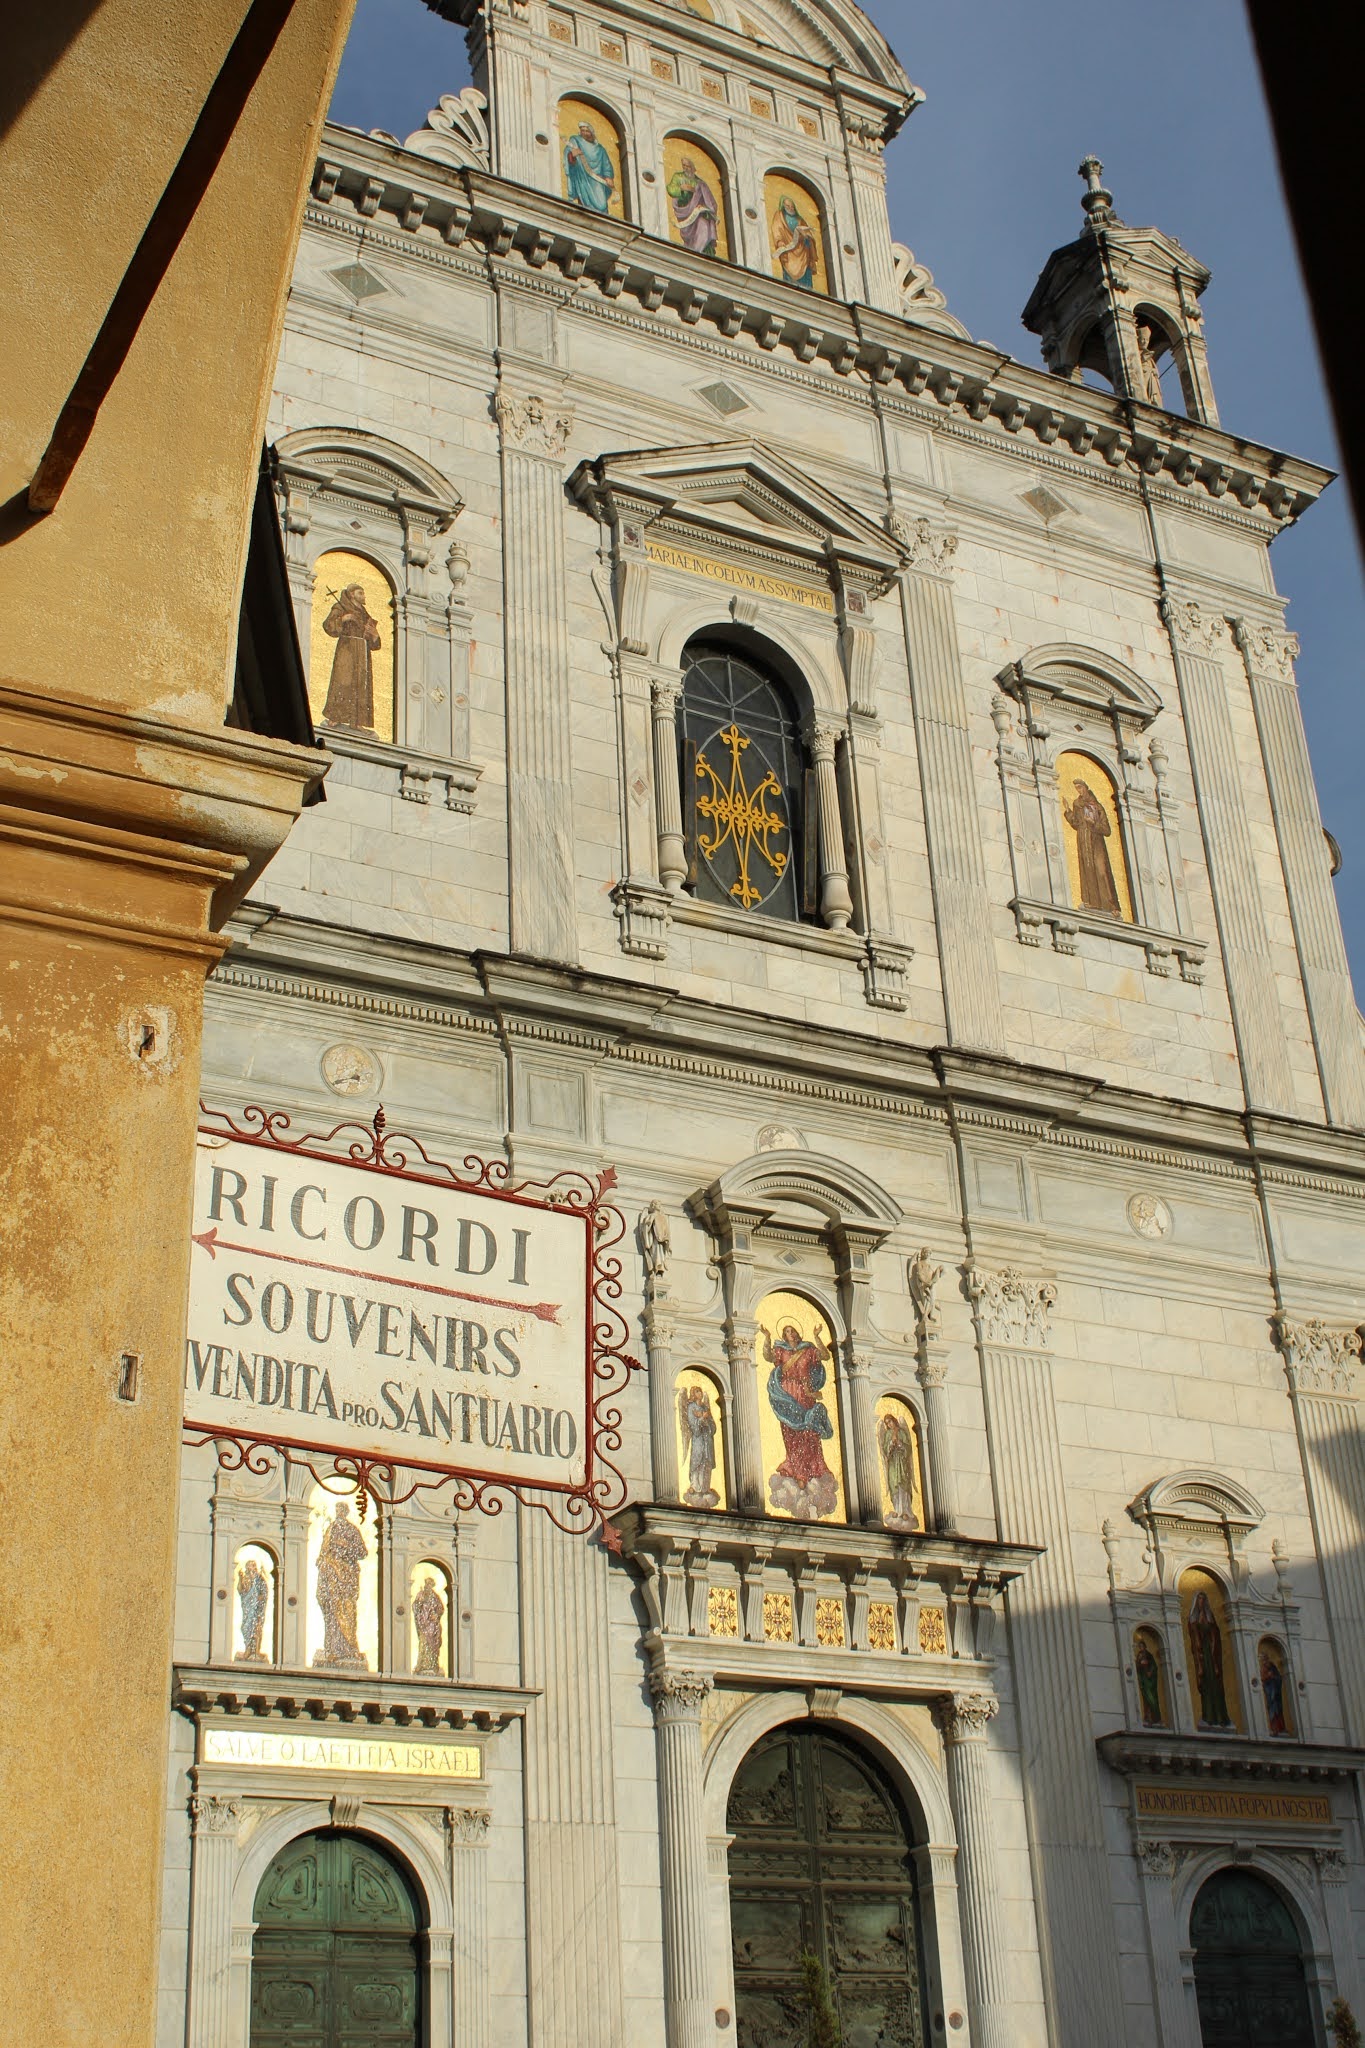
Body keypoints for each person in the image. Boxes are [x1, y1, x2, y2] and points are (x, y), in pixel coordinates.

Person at [761, 1319, 838, 1520]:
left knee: (810, 1433)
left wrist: (818, 1337)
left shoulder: (808, 1349)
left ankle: (812, 1471)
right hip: (787, 1397)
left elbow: (825, 1356)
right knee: (791, 1434)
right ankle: (797, 1471)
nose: (790, 1334)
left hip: (805, 1395)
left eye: (792, 1330)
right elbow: (768, 1356)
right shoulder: (781, 1350)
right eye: (786, 1332)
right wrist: (767, 1338)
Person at [314, 1500, 369, 1668]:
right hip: (331, 1577)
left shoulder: (352, 1530)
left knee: (347, 1612)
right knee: (331, 1613)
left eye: (341, 1510)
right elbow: (323, 1553)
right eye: (337, 1509)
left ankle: (349, 1648)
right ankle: (332, 1649)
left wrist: (346, 1548)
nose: (339, 1513)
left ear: (345, 1512)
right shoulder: (330, 1529)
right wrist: (325, 1561)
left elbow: (362, 1552)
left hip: (347, 1579)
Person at [320, 582, 381, 730]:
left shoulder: (365, 614)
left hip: (363, 652)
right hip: (347, 650)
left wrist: (374, 635)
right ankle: (335, 717)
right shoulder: (340, 607)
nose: (363, 596)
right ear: (352, 594)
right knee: (343, 681)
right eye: (361, 593)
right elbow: (328, 626)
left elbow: (376, 643)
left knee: (361, 684)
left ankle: (358, 722)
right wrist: (343, 619)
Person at [1063, 775, 1124, 918]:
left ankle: (1111, 906)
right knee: (1087, 870)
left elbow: (1107, 830)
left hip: (1096, 842)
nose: (1079, 790)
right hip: (1083, 841)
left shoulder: (1097, 807)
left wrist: (1093, 823)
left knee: (1101, 871)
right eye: (1077, 788)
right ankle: (1092, 902)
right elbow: (1076, 823)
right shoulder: (1077, 804)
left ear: (1086, 788)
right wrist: (1068, 811)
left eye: (1080, 787)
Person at [1187, 1588, 1232, 1728]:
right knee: (1205, 1684)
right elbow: (1193, 1637)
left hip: (1212, 1656)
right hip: (1201, 1657)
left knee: (1217, 1686)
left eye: (1203, 1599)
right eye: (1199, 1599)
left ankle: (1220, 1716)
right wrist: (1197, 1627)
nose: (1201, 1602)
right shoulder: (1193, 1619)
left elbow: (1216, 1634)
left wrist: (1209, 1627)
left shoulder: (1210, 1617)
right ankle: (1208, 1716)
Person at [667, 156, 721, 256]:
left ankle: (702, 250)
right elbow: (670, 189)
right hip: (685, 210)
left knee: (703, 225)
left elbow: (711, 201)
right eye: (684, 166)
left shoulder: (700, 183)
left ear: (692, 168)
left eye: (688, 166)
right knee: (691, 235)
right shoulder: (678, 177)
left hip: (699, 212)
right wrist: (681, 189)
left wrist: (702, 205)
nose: (686, 168)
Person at [877, 1409, 919, 1531]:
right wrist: (891, 1444)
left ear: (894, 1421)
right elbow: (884, 1449)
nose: (889, 1424)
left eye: (890, 1421)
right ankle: (897, 1509)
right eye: (887, 1423)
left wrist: (900, 1444)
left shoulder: (901, 1432)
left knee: (904, 1483)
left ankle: (906, 1511)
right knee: (894, 1483)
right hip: (893, 1462)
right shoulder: (888, 1434)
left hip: (902, 1461)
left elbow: (908, 1448)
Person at [679, 1383, 719, 1507]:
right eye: (697, 1392)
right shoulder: (691, 1407)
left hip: (707, 1439)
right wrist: (701, 1419)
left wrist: (706, 1420)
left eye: (700, 1392)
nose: (699, 1394)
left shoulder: (705, 1408)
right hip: (698, 1440)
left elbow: (713, 1426)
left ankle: (705, 1488)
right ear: (693, 1394)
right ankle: (695, 1487)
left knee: (706, 1462)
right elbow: (693, 1426)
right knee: (697, 1461)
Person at [564, 121, 616, 213]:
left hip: (597, 179)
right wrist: (572, 155)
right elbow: (569, 153)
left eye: (587, 131)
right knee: (584, 202)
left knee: (602, 205)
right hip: (582, 176)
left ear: (591, 132)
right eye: (582, 131)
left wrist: (608, 177)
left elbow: (606, 163)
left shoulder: (600, 149)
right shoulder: (576, 140)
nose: (585, 133)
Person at [770, 193, 819, 290]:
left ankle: (807, 291)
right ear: (783, 206)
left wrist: (807, 237)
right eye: (788, 206)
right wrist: (780, 242)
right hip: (789, 250)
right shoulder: (779, 215)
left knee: (805, 275)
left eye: (792, 206)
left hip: (803, 252)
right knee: (789, 273)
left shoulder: (800, 219)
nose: (791, 208)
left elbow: (808, 233)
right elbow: (777, 229)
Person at [235, 1557, 269, 1662]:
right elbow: (241, 1590)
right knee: (245, 1627)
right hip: (247, 1608)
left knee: (256, 1628)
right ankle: (248, 1649)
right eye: (250, 1565)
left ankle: (255, 1651)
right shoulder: (245, 1578)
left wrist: (259, 1599)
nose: (252, 1568)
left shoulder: (260, 1579)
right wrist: (240, 1578)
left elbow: (264, 1592)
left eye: (253, 1565)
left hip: (257, 1609)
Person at [412, 1575, 445, 1676]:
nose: (428, 1586)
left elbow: (440, 1608)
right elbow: (415, 1606)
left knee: (432, 1646)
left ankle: (432, 1665)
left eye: (430, 1585)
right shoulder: (421, 1595)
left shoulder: (435, 1597)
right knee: (424, 1643)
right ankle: (423, 1665)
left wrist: (436, 1615)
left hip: (432, 1625)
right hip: (423, 1624)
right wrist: (419, 1606)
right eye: (427, 1584)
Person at [1134, 1635, 1164, 1725]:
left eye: (1142, 1646)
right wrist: (1140, 1663)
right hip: (1144, 1680)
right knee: (1146, 1699)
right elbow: (1137, 1666)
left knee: (1152, 1698)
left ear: (1145, 1647)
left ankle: (1156, 1718)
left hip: (1150, 1681)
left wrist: (1150, 1671)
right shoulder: (1139, 1655)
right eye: (1139, 1647)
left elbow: (1154, 1666)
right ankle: (1147, 1717)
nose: (1141, 1648)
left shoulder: (1149, 1655)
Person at [1260, 1646, 1289, 1735]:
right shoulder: (1263, 1668)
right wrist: (1268, 1676)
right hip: (1269, 1691)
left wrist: (1273, 1677)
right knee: (1272, 1708)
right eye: (1262, 1658)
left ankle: (1280, 1728)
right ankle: (1274, 1728)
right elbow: (1263, 1678)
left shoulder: (1272, 1666)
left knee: (1278, 1709)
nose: (1264, 1660)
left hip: (1276, 1691)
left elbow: (1279, 1677)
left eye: (1265, 1657)